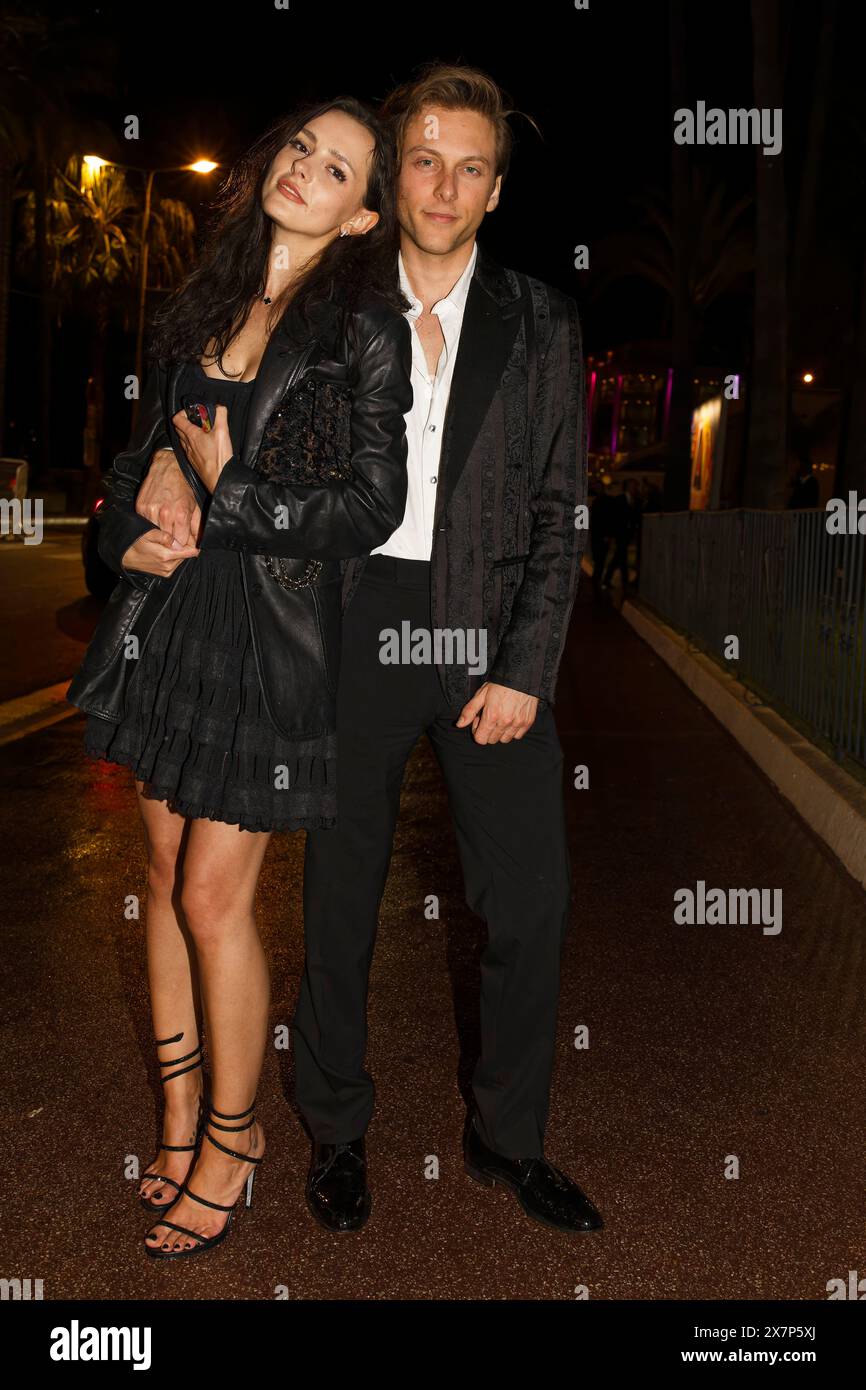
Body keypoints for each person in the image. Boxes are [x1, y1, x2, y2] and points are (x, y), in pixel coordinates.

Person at [134, 63, 604, 1238]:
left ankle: (507, 1141)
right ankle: (334, 1132)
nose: (444, 184)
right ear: (393, 179)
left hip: (486, 635)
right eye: (424, 159)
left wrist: (523, 668)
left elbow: (559, 507)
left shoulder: (541, 320)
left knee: (528, 902)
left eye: (471, 166)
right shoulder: (330, 304)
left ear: (495, 191)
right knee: (338, 904)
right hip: (341, 624)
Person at [66, 97, 412, 1259]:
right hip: (173, 615)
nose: (307, 170)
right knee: (163, 872)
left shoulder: (365, 326)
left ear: (364, 212)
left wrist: (231, 494)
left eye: (339, 169)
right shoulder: (201, 302)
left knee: (216, 897)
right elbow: (134, 457)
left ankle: (234, 1136)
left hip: (273, 634)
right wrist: (130, 528)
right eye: (301, 150)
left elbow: (374, 505)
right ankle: (173, 1121)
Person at [602, 477, 641, 591]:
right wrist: (610, 534)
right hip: (620, 533)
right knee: (620, 556)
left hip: (627, 534)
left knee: (619, 557)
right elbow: (613, 517)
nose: (635, 488)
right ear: (628, 487)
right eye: (633, 486)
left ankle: (610, 580)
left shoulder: (636, 500)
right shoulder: (619, 499)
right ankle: (623, 581)